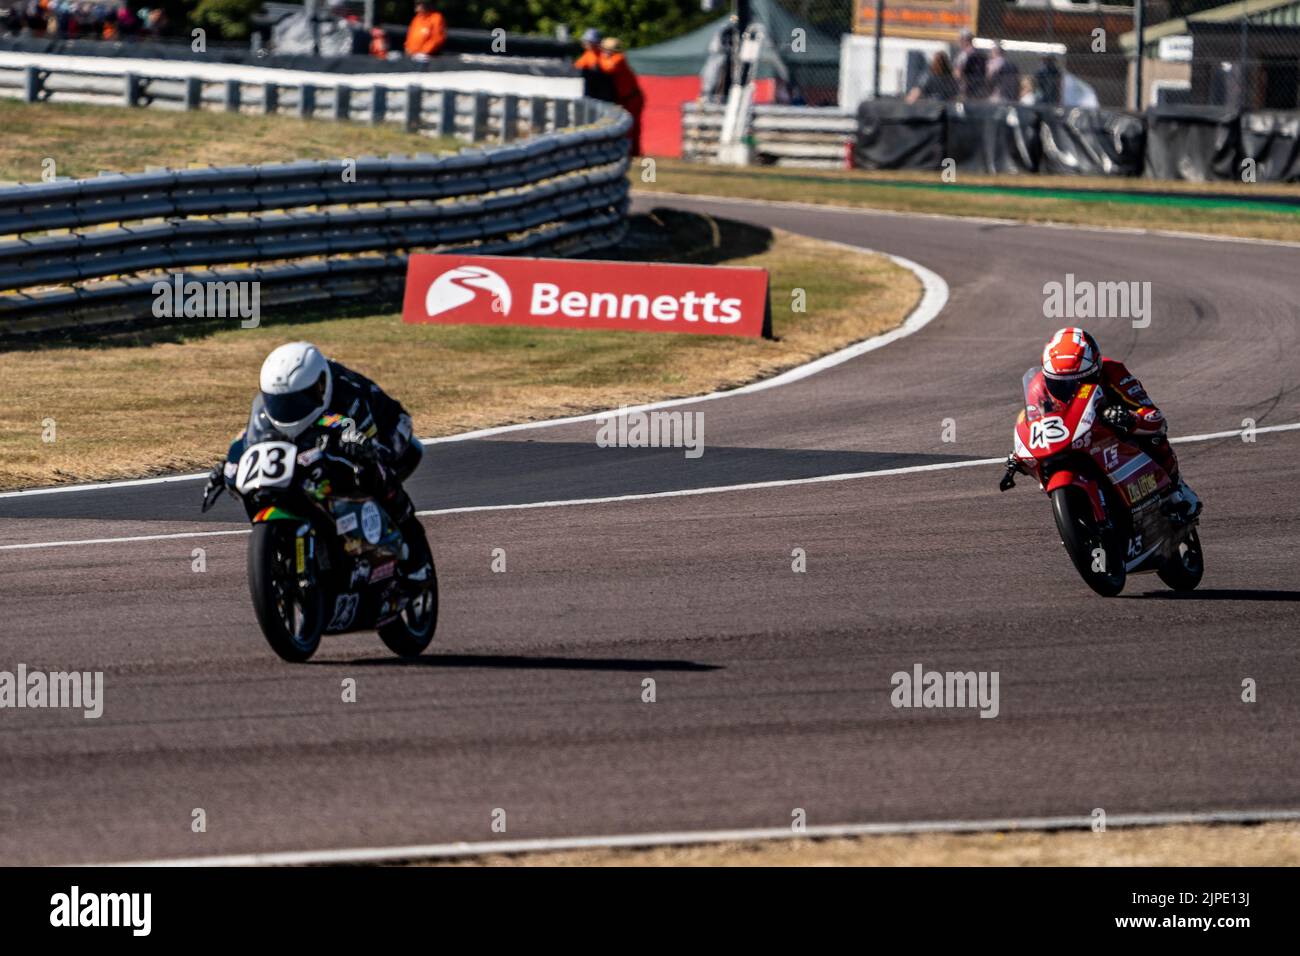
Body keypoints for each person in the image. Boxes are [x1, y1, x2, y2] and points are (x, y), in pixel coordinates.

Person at [205, 343, 433, 581]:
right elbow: (250, 437)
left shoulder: (348, 394)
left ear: (320, 386)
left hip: (388, 426)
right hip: (326, 428)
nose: (287, 410)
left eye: (297, 401)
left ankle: (413, 549)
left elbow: (368, 440)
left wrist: (358, 445)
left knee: (373, 470)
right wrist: (231, 463)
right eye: (279, 402)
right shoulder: (274, 402)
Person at [1005, 328, 1200, 517]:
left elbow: (1156, 418)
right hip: (1070, 437)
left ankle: (1178, 488)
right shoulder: (1037, 387)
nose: (1069, 389)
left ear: (1096, 369)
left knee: (1155, 437)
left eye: (1080, 382)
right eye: (1059, 383)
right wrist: (1022, 452)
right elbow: (1032, 420)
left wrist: (1130, 419)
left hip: (1112, 431)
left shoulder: (1114, 372)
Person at [599, 36, 644, 155]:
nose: (604, 52)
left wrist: (599, 59)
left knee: (630, 125)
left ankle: (632, 151)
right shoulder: (612, 59)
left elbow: (608, 68)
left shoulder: (618, 59)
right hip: (625, 98)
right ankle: (631, 150)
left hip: (632, 97)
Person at [952, 29, 987, 100]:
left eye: (960, 39)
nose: (959, 41)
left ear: (965, 40)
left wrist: (959, 73)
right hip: (968, 88)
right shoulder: (962, 54)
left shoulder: (972, 55)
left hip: (969, 89)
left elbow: (958, 73)